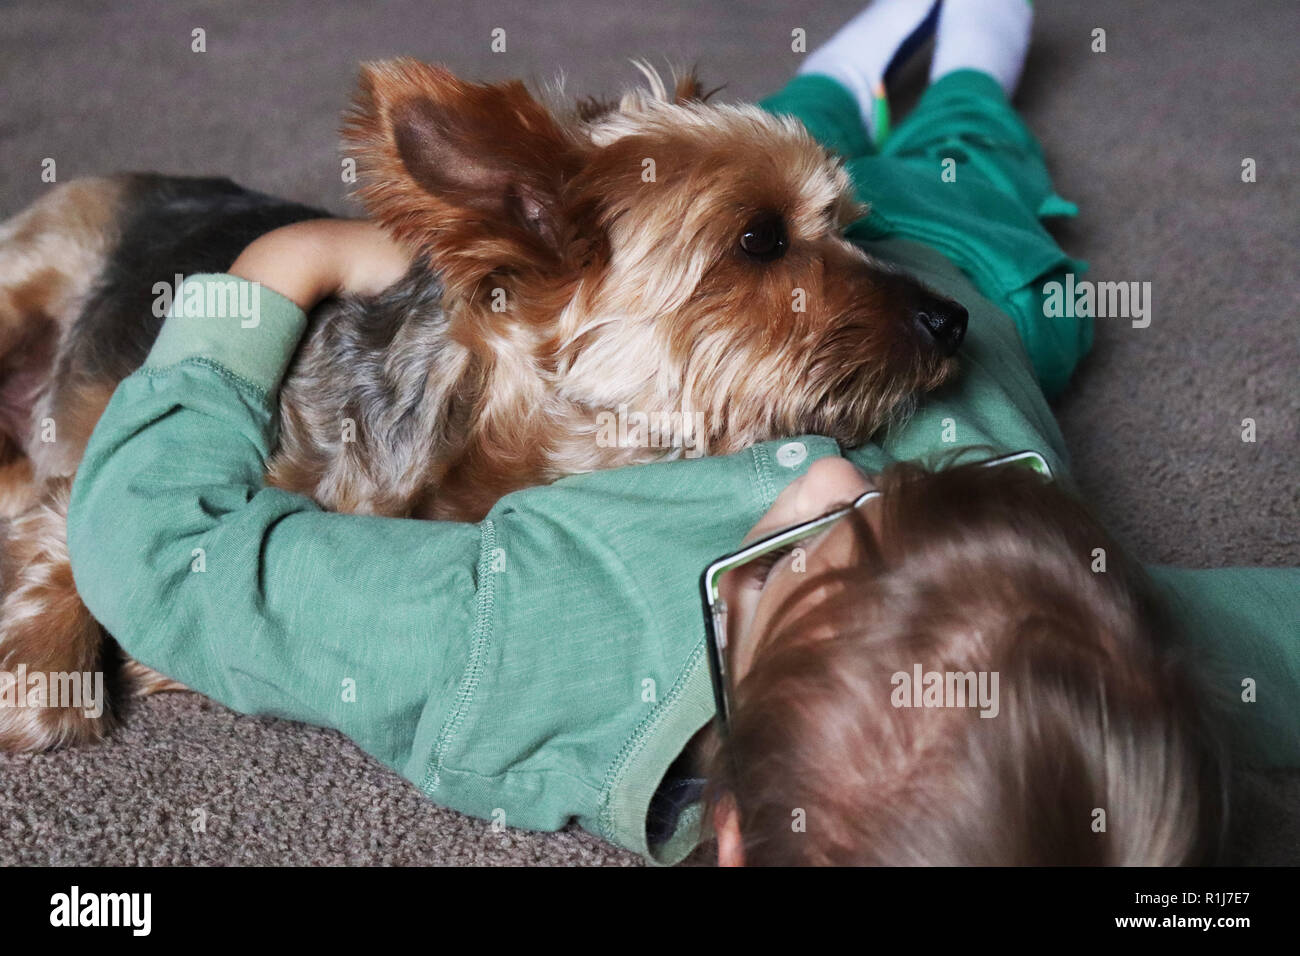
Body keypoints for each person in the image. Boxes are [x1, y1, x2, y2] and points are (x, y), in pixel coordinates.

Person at [67, 0, 1299, 864]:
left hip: (834, 274)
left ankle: (886, 100)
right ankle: (936, 75)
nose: (832, 469)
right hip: (972, 272)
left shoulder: (518, 653)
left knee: (808, 173)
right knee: (941, 163)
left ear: (732, 842)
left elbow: (164, 549)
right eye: (897, 514)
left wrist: (279, 267)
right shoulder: (1099, 677)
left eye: (807, 563)